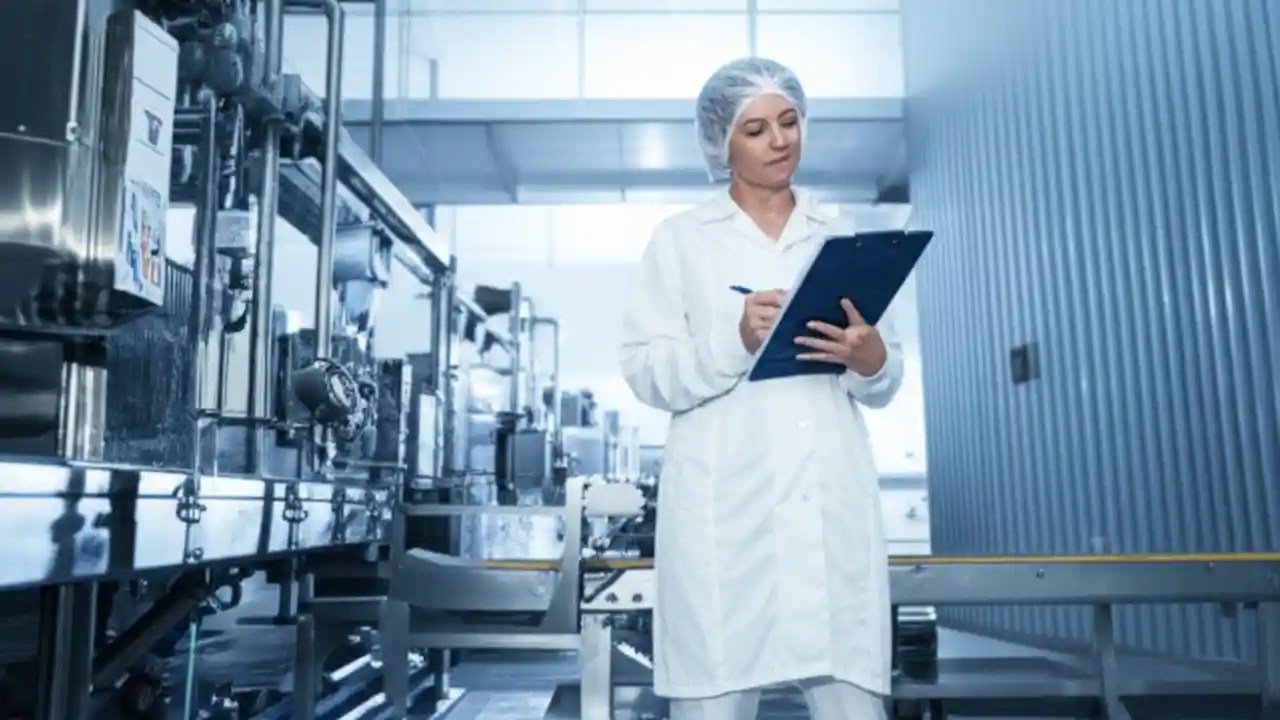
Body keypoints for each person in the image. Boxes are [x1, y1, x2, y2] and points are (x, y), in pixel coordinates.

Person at [618, 57, 903, 720]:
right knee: (715, 697)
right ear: (723, 142)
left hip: (828, 518)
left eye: (789, 121)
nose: (780, 140)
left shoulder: (840, 236)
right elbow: (644, 370)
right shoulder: (681, 243)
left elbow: (885, 382)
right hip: (726, 524)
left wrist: (872, 358)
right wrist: (734, 341)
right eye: (756, 129)